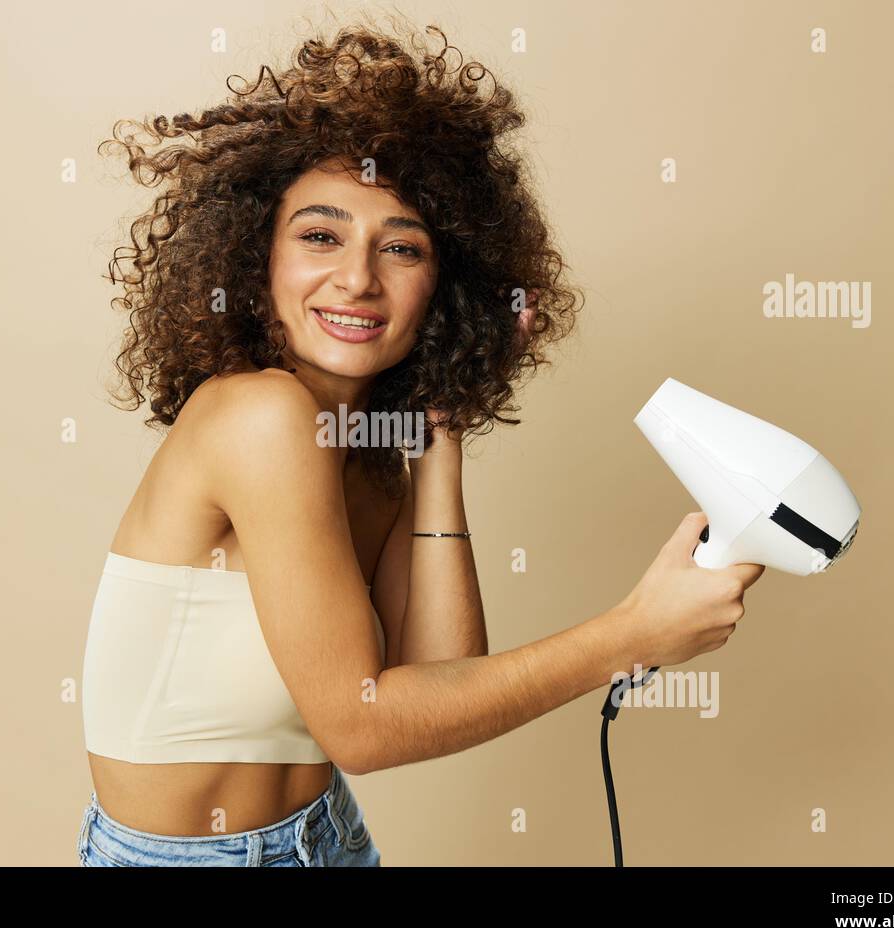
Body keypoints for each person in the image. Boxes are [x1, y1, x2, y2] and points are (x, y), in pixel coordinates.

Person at [76, 15, 764, 867]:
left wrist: (441, 433)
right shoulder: (257, 416)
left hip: (326, 837)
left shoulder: (368, 455)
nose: (357, 278)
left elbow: (441, 676)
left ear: (444, 287)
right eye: (320, 236)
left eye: (401, 248)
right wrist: (629, 637)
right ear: (257, 262)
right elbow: (364, 728)